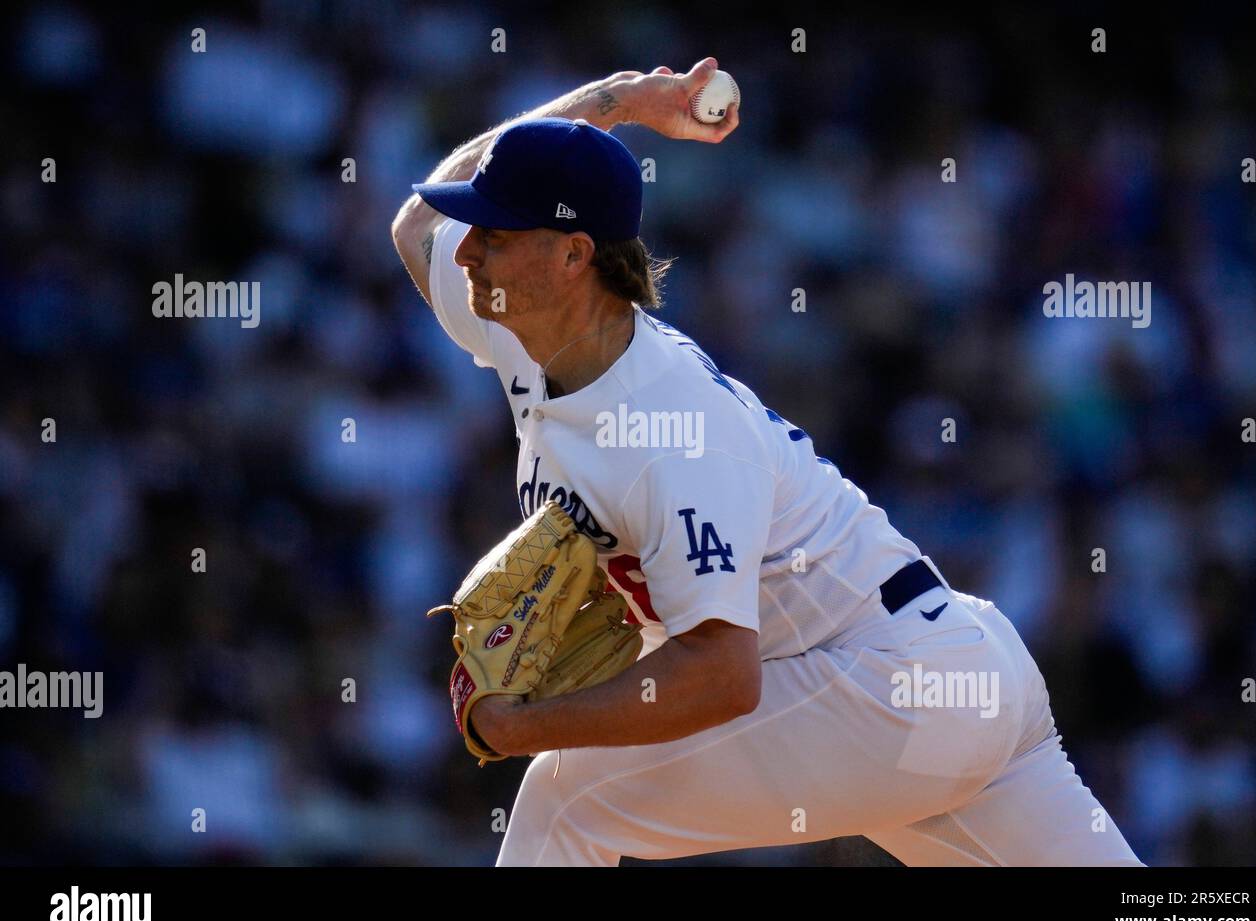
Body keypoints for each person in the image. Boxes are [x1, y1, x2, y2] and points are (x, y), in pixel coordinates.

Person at [391, 57, 1142, 867]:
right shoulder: (526, 330)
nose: (468, 253)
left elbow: (720, 678)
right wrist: (614, 103)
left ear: (574, 257)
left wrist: (518, 727)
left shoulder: (670, 432)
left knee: (563, 803)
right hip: (937, 676)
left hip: (887, 688)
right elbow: (413, 228)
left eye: (495, 236)